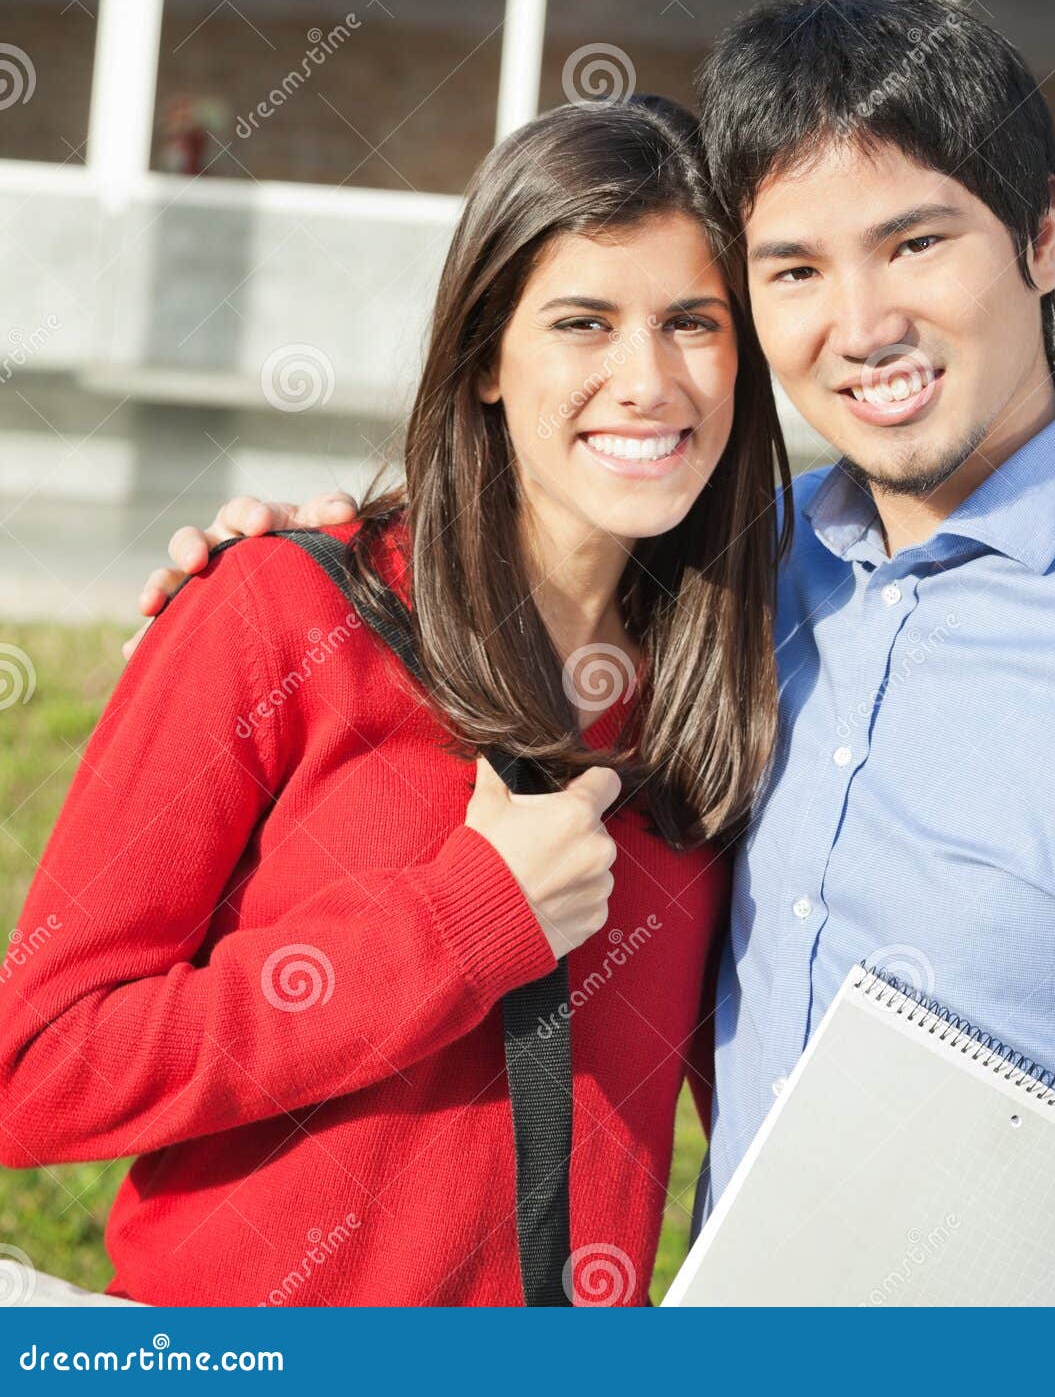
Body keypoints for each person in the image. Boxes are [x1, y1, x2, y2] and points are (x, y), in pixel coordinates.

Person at [124, 0, 1055, 1306]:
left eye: (914, 243)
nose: (862, 325)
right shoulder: (737, 587)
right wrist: (300, 562)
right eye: (792, 268)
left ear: (1040, 239)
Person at [0, 95, 790, 1306]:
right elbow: (36, 1067)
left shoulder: (736, 686)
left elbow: (773, 1113)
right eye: (583, 322)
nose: (648, 379)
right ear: (482, 359)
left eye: (695, 322)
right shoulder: (281, 609)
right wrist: (461, 923)